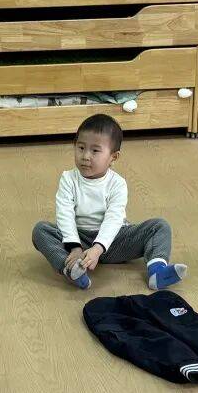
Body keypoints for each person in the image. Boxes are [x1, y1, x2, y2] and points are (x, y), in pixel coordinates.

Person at [32, 114, 187, 290]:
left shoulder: (117, 184)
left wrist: (98, 248)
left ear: (114, 157)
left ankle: (157, 272)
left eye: (95, 151)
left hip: (115, 241)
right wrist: (74, 248)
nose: (86, 156)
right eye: (81, 148)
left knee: (159, 226)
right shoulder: (68, 179)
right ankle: (72, 270)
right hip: (79, 240)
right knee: (40, 230)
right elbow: (64, 214)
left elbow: (114, 218)